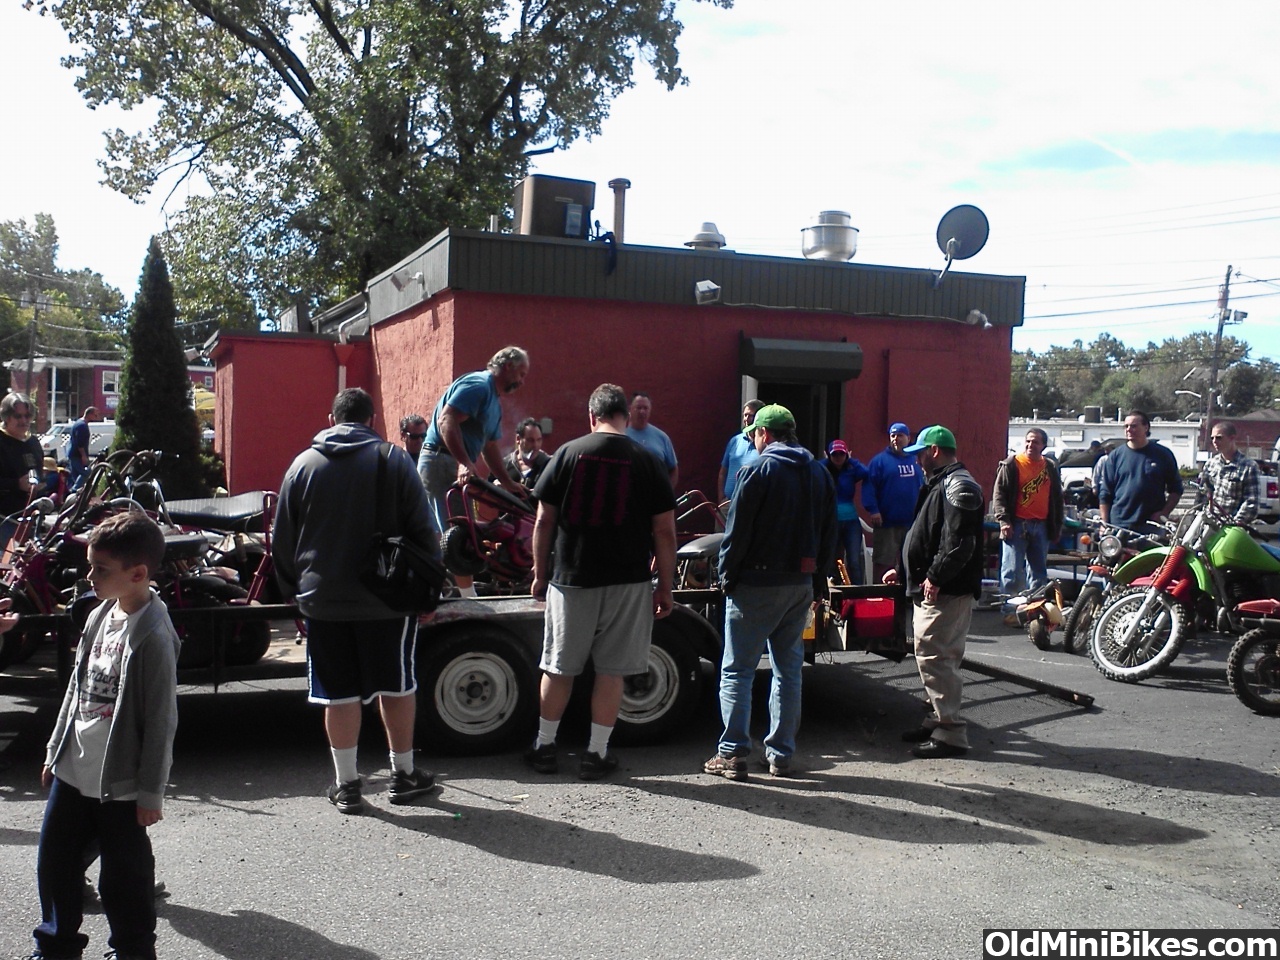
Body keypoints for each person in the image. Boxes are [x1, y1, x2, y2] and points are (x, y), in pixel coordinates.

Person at [274, 387, 441, 815]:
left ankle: (347, 784)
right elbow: (424, 530)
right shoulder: (394, 460)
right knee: (397, 685)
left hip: (323, 601)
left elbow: (283, 540)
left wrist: (294, 592)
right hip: (388, 598)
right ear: (372, 420)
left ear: (331, 420)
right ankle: (403, 774)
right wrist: (430, 591)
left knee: (337, 693)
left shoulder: (302, 465)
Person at [27, 511, 180, 960]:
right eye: (90, 566)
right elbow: (76, 689)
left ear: (138, 574)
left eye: (100, 569)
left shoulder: (153, 635)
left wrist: (150, 792)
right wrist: (54, 751)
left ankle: (133, 950)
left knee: (124, 876)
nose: (90, 577)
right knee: (56, 861)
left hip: (121, 783)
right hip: (75, 769)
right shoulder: (99, 614)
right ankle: (56, 946)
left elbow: (161, 721)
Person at [526, 384, 677, 780]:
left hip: (571, 578)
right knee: (611, 671)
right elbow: (664, 530)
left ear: (592, 416)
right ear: (625, 417)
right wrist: (665, 586)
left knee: (559, 668)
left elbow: (543, 520)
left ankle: (544, 747)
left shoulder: (567, 453)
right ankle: (596, 753)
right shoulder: (647, 460)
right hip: (628, 580)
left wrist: (540, 573)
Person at [703, 404, 836, 780]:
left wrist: (726, 576)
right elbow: (830, 533)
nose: (754, 442)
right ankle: (780, 754)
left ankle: (732, 754)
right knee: (788, 672)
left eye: (755, 436)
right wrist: (819, 581)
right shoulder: (819, 472)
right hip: (799, 584)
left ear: (764, 434)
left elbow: (737, 532)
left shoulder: (756, 470)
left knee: (737, 670)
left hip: (756, 585)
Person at [883, 425, 984, 760]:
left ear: (934, 451)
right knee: (931, 655)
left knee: (937, 657)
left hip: (946, 590)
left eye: (921, 453)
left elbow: (960, 542)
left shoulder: (959, 485)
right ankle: (937, 720)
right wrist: (903, 570)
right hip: (935, 586)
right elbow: (928, 533)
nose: (918, 460)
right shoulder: (942, 483)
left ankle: (951, 732)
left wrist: (936, 576)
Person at [418, 346, 530, 598]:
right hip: (441, 460)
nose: (522, 381)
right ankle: (464, 599)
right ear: (507, 366)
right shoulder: (478, 385)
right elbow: (446, 420)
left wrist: (507, 482)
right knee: (457, 536)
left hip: (450, 462)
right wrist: (464, 462)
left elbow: (490, 446)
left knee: (459, 534)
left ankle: (453, 592)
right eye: (521, 374)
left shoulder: (494, 402)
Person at [992, 428, 1064, 603]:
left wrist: (1057, 527)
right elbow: (999, 494)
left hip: (1042, 526)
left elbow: (1057, 498)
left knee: (1038, 572)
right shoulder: (1011, 464)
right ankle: (1009, 610)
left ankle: (1035, 608)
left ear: (1043, 446)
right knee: (1012, 571)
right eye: (1028, 441)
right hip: (1016, 525)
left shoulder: (1050, 467)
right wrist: (1004, 521)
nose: (1031, 445)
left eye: (1036, 442)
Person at [1096, 410, 1183, 531]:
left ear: (1146, 427)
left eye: (1134, 426)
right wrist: (1104, 523)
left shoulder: (1163, 454)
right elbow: (1105, 493)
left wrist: (1164, 513)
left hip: (1151, 525)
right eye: (1126, 426)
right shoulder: (1115, 456)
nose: (1129, 429)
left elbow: (1176, 489)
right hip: (1119, 524)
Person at [863, 422, 926, 582]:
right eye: (893, 435)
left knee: (911, 561)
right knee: (883, 563)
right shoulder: (879, 461)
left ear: (908, 438)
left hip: (913, 523)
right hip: (887, 523)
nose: (896, 439)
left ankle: (906, 594)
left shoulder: (917, 461)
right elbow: (869, 487)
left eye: (900, 435)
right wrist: (873, 510)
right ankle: (880, 594)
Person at [819, 440, 870, 585]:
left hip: (851, 521)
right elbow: (814, 469)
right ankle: (831, 590)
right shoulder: (824, 469)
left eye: (841, 454)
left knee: (854, 560)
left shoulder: (851, 469)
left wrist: (851, 460)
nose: (838, 457)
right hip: (831, 521)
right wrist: (826, 460)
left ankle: (858, 592)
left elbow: (866, 472)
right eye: (834, 454)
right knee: (831, 559)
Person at [0, 392, 46, 550]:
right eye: (18, 416)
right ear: (6, 417)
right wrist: (16, 484)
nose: (24, 421)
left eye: (27, 416)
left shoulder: (33, 442)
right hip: (5, 519)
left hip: (30, 517)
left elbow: (39, 471)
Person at [1197, 422, 1260, 524]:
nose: (1214, 441)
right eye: (1212, 438)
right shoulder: (1211, 464)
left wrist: (1235, 522)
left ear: (1232, 438)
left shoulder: (1248, 466)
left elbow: (1251, 502)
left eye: (1219, 438)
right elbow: (1202, 494)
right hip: (1209, 523)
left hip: (1232, 525)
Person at [625, 392, 678, 490]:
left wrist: (667, 493)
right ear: (629, 409)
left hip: (655, 495)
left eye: (645, 408)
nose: (642, 411)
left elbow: (673, 469)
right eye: (638, 408)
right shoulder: (621, 435)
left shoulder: (661, 437)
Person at [717, 399, 764, 503]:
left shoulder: (765, 444)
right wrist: (721, 498)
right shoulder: (735, 440)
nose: (746, 419)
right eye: (745, 415)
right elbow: (723, 472)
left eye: (750, 416)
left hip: (751, 505)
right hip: (728, 503)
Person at [504, 417, 551, 490]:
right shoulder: (504, 465)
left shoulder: (549, 464)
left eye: (539, 440)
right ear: (518, 439)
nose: (535, 445)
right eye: (530, 440)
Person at [66, 405, 101, 490]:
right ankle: (74, 491)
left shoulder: (78, 423)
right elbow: (80, 443)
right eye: (95, 415)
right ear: (90, 414)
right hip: (77, 455)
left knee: (76, 476)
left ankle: (75, 493)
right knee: (86, 473)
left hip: (72, 454)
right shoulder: (82, 426)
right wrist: (83, 456)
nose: (96, 417)